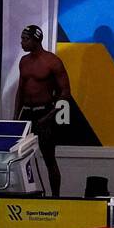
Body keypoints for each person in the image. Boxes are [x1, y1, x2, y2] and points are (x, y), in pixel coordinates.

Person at [14, 24, 70, 197]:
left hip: (45, 113)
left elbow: (66, 93)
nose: (22, 43)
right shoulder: (24, 61)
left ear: (36, 40)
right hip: (27, 113)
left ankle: (55, 198)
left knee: (49, 158)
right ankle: (24, 194)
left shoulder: (52, 62)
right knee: (19, 158)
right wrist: (16, 117)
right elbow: (20, 91)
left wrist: (50, 115)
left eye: (25, 39)